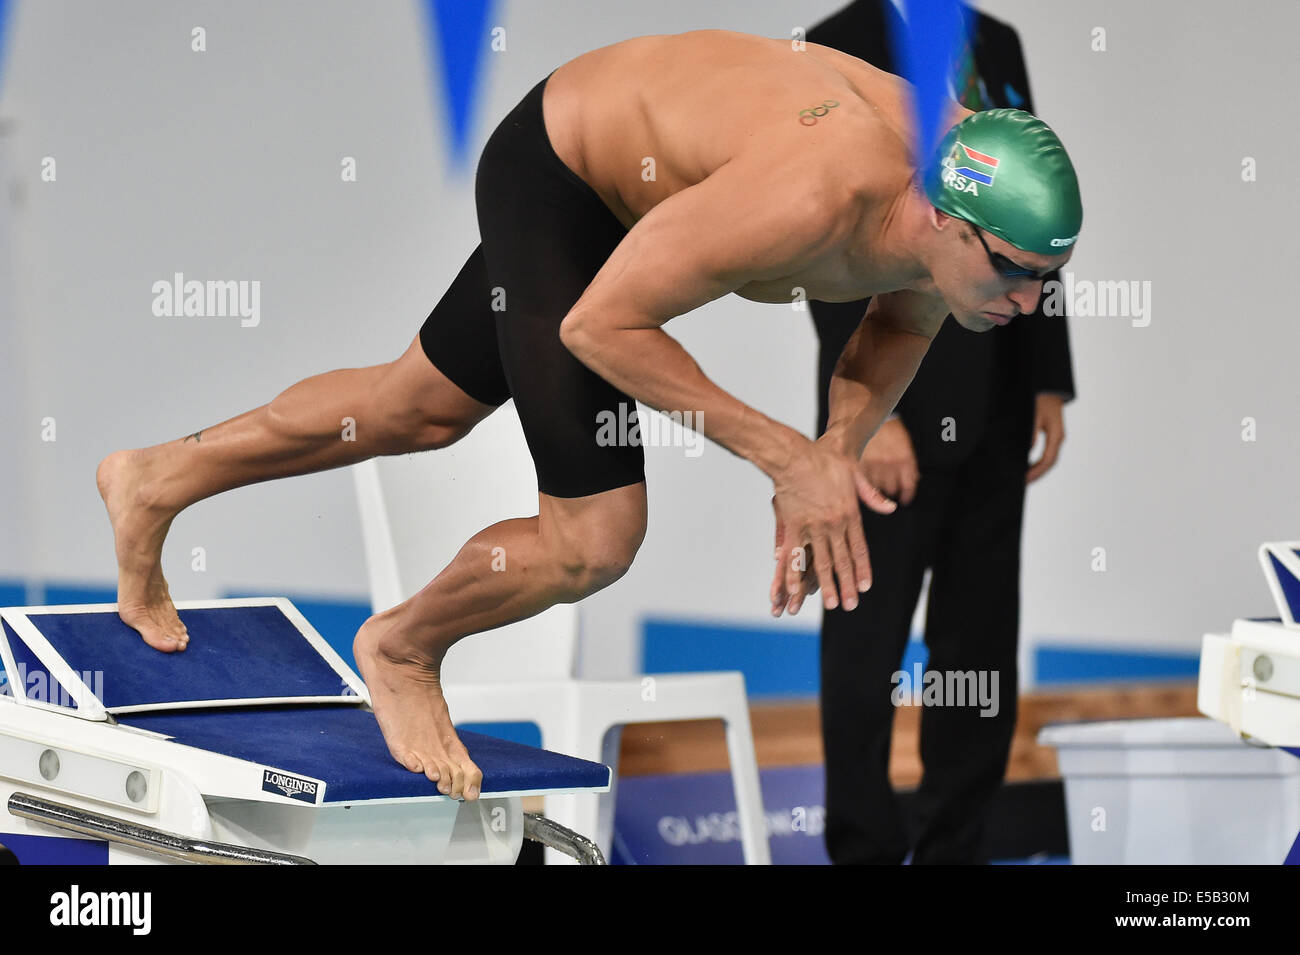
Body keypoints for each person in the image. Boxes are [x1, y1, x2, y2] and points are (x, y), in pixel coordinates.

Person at [96, 29, 1080, 802]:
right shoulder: (821, 192)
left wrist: (832, 456)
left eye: (1048, 280)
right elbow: (601, 325)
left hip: (638, 165)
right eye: (1012, 272)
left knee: (414, 406)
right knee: (594, 539)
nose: (1026, 302)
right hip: (566, 169)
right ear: (945, 219)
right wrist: (785, 458)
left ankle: (153, 477)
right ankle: (400, 646)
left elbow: (894, 327)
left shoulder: (954, 208)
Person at [807, 0, 1077, 863]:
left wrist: (1048, 378)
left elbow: (1036, 217)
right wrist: (865, 419)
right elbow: (827, 246)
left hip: (996, 393)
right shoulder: (836, 46)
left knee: (980, 646)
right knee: (866, 641)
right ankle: (861, 847)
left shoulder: (999, 44)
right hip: (890, 398)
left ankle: (957, 847)